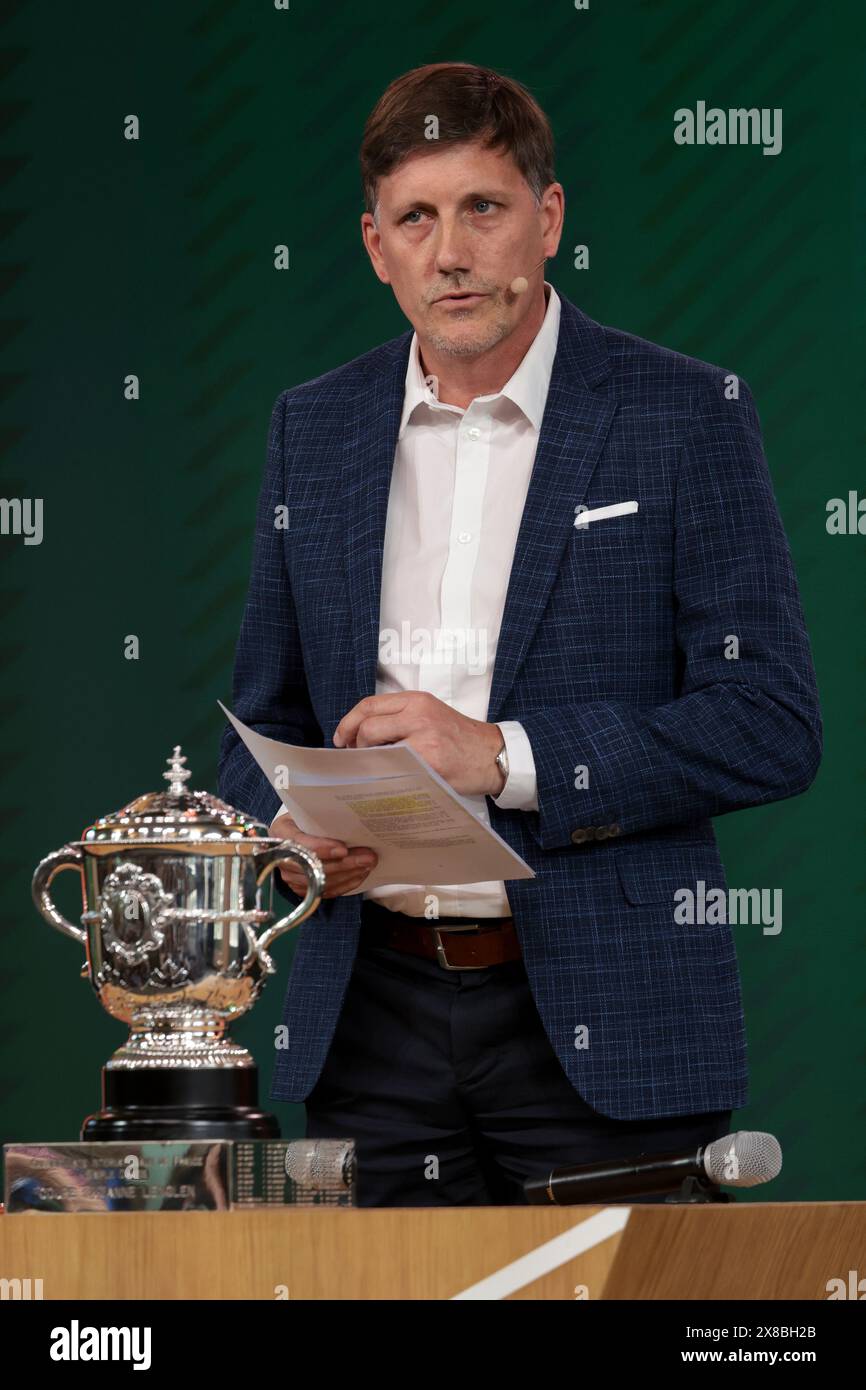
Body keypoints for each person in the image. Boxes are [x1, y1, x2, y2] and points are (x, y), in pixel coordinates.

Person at [217, 62, 822, 1207]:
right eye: (416, 218)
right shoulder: (314, 427)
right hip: (370, 1027)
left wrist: (500, 756)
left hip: (613, 1026)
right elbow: (263, 722)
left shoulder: (683, 414)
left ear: (547, 219)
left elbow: (771, 723)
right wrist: (284, 833)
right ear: (374, 246)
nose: (451, 251)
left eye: (482, 208)